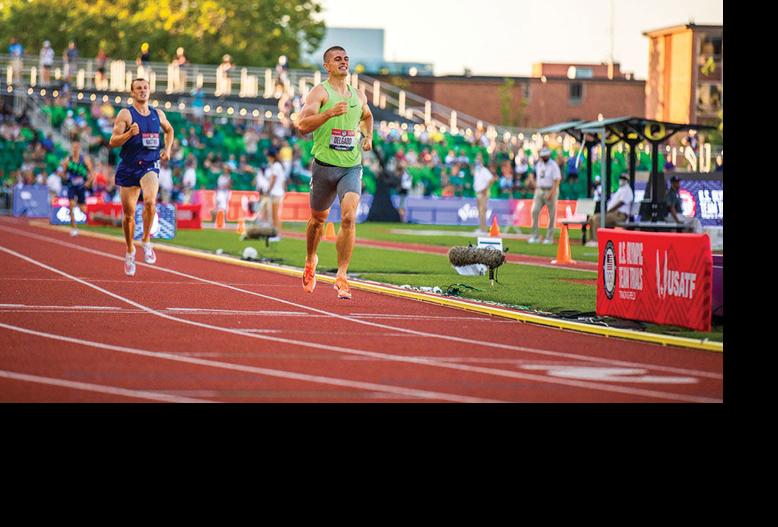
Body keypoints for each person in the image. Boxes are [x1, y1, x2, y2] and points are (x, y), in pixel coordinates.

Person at [295, 45, 374, 300]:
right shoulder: (320, 92)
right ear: (326, 66)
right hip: (323, 167)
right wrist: (329, 113)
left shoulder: (358, 95)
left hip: (351, 166)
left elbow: (368, 116)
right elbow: (302, 126)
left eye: (346, 59)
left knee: (349, 217)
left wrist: (369, 136)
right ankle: (310, 260)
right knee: (318, 220)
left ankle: (342, 275)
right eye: (337, 59)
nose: (343, 62)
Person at [109, 78, 174, 276]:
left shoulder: (158, 114)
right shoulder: (126, 114)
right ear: (132, 93)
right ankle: (130, 250)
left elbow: (169, 130)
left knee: (150, 202)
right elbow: (113, 141)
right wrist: (129, 134)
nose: (143, 91)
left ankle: (146, 240)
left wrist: (168, 149)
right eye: (138, 88)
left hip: (150, 165)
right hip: (129, 167)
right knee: (128, 215)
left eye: (145, 88)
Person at [586, 174, 634, 247]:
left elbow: (621, 203)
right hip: (613, 214)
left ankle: (596, 241)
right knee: (592, 218)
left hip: (620, 215)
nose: (621, 180)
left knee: (597, 218)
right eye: (621, 178)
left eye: (624, 179)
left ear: (627, 181)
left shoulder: (627, 190)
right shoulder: (620, 189)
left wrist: (609, 211)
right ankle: (592, 240)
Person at [59, 141, 94, 237]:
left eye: (77, 147)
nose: (75, 149)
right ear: (72, 148)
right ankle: (74, 228)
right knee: (71, 204)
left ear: (79, 148)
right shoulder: (68, 160)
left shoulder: (85, 160)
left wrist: (88, 182)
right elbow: (63, 173)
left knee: (83, 208)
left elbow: (92, 173)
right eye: (73, 147)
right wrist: (63, 175)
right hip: (71, 185)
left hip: (81, 186)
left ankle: (94, 218)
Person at [528, 147, 561, 244]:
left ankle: (549, 237)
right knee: (534, 211)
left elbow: (557, 180)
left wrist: (552, 193)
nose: (544, 157)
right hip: (540, 189)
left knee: (551, 214)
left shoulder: (553, 165)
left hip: (550, 189)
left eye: (545, 156)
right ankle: (535, 236)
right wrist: (535, 185)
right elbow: (533, 175)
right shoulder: (539, 164)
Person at [472, 154, 497, 234]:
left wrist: (485, 189)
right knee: (480, 211)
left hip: (483, 193)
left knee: (482, 211)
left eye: (479, 160)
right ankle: (481, 228)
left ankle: (483, 230)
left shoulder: (484, 170)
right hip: (478, 192)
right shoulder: (477, 170)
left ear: (482, 162)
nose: (477, 161)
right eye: (476, 160)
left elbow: (492, 179)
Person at [265, 147, 286, 241]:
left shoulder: (276, 165)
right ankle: (275, 234)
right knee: (274, 215)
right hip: (277, 192)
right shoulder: (277, 165)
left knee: (275, 215)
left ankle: (277, 234)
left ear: (271, 156)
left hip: (276, 192)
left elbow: (273, 179)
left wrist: (268, 190)